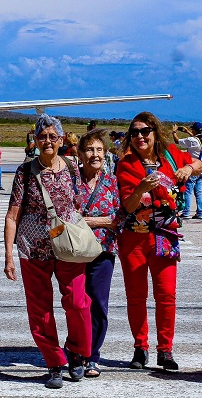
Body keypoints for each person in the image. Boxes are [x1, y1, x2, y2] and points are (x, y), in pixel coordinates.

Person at [4, 114, 91, 389]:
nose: (48, 141)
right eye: (42, 137)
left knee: (77, 303)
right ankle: (54, 362)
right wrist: (9, 255)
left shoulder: (73, 168)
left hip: (67, 246)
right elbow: (12, 216)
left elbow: (79, 206)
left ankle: (77, 352)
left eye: (53, 137)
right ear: (35, 140)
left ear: (61, 139)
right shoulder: (24, 172)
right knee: (40, 310)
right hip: (33, 248)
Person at [115, 112, 202, 372]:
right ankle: (140, 347)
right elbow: (128, 205)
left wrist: (188, 168)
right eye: (134, 132)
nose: (139, 136)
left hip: (165, 237)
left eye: (145, 131)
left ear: (155, 133)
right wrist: (141, 189)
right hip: (134, 238)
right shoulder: (126, 164)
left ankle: (165, 349)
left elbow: (199, 164)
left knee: (166, 295)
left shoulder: (171, 155)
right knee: (136, 296)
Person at [76, 128, 123, 377]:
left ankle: (92, 355)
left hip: (103, 251)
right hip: (74, 251)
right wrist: (101, 221)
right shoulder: (71, 181)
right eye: (89, 150)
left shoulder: (112, 182)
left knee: (98, 303)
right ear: (80, 154)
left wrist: (89, 221)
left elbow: (119, 218)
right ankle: (76, 350)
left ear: (105, 154)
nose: (94, 155)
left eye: (99, 150)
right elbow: (64, 216)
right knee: (76, 303)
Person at [172, 122, 202, 219]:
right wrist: (187, 132)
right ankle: (200, 213)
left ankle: (186, 212)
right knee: (198, 192)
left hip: (193, 169)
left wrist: (174, 132)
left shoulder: (191, 140)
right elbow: (196, 139)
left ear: (194, 130)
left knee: (187, 191)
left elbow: (177, 141)